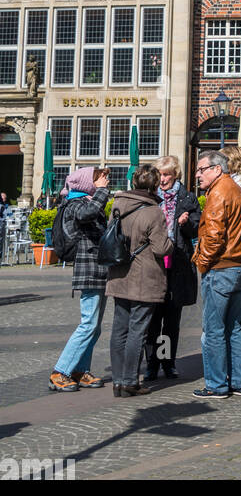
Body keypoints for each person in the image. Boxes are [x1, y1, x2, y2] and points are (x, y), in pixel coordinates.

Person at [107, 164, 173, 398]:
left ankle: (117, 381)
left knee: (119, 329)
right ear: (155, 185)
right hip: (144, 277)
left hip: (119, 274)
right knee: (138, 330)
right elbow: (161, 248)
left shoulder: (118, 204)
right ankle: (130, 381)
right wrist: (172, 242)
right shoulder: (153, 210)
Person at [193, 151, 241, 399]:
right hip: (240, 265)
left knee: (214, 330)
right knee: (235, 326)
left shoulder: (219, 192)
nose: (198, 175)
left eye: (202, 169)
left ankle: (216, 385)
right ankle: (240, 382)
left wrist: (202, 262)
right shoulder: (237, 189)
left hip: (221, 267)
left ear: (217, 169)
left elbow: (214, 236)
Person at [48, 167, 111, 393]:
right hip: (89, 269)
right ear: (86, 183)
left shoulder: (85, 201)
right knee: (88, 324)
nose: (103, 182)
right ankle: (60, 371)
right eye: (97, 179)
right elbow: (88, 214)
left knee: (94, 326)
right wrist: (102, 191)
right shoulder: (75, 204)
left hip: (98, 268)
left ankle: (80, 369)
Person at [144, 155, 200, 381]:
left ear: (175, 175)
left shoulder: (187, 198)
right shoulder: (149, 197)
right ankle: (151, 364)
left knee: (171, 320)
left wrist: (187, 223)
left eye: (167, 174)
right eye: (160, 174)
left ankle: (167, 362)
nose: (163, 179)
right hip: (153, 263)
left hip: (176, 264)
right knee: (152, 320)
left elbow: (197, 228)